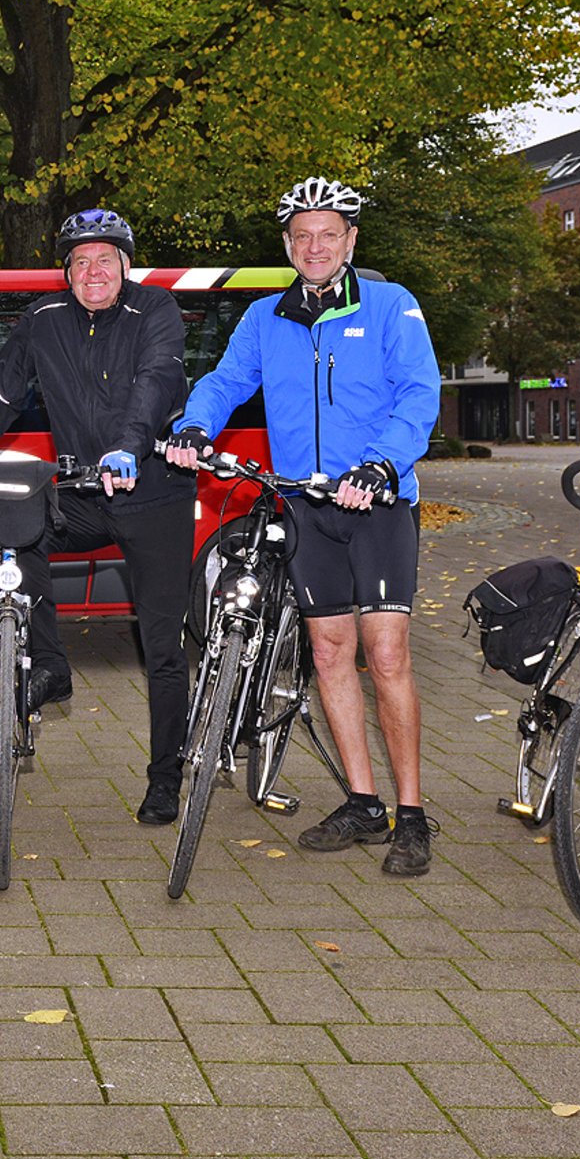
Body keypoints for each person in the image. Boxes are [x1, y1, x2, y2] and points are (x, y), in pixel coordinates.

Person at [168, 178, 441, 874]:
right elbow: (225, 381)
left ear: (351, 240)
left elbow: (418, 393)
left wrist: (380, 465)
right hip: (306, 505)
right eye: (302, 235)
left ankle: (412, 815)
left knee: (385, 656)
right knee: (327, 654)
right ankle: (362, 799)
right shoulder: (265, 317)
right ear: (288, 245)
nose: (314, 245)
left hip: (376, 502)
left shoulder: (390, 305)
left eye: (328, 233)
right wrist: (196, 424)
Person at [0, 208, 196, 826]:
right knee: (13, 530)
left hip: (152, 494)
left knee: (163, 644)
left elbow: (155, 381)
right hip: (83, 495)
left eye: (106, 259)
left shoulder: (158, 312)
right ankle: (50, 665)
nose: (93, 272)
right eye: (81, 261)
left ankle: (164, 778)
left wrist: (129, 442)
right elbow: (3, 390)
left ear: (125, 264)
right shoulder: (42, 320)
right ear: (66, 271)